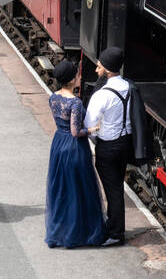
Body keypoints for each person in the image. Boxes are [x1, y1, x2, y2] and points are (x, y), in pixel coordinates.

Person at [45, 59, 106, 248]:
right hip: (74, 147)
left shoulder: (53, 97)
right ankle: (80, 232)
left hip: (58, 144)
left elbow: (63, 125)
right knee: (79, 189)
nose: (80, 77)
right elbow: (75, 131)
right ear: (72, 80)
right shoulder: (76, 103)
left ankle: (61, 232)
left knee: (62, 189)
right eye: (78, 75)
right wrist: (93, 129)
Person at [84, 47, 132, 248]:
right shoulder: (129, 87)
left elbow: (89, 123)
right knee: (117, 186)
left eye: (100, 64)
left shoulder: (102, 95)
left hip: (108, 146)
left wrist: (94, 132)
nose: (97, 67)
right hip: (124, 143)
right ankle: (114, 226)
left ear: (108, 69)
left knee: (112, 191)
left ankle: (115, 233)